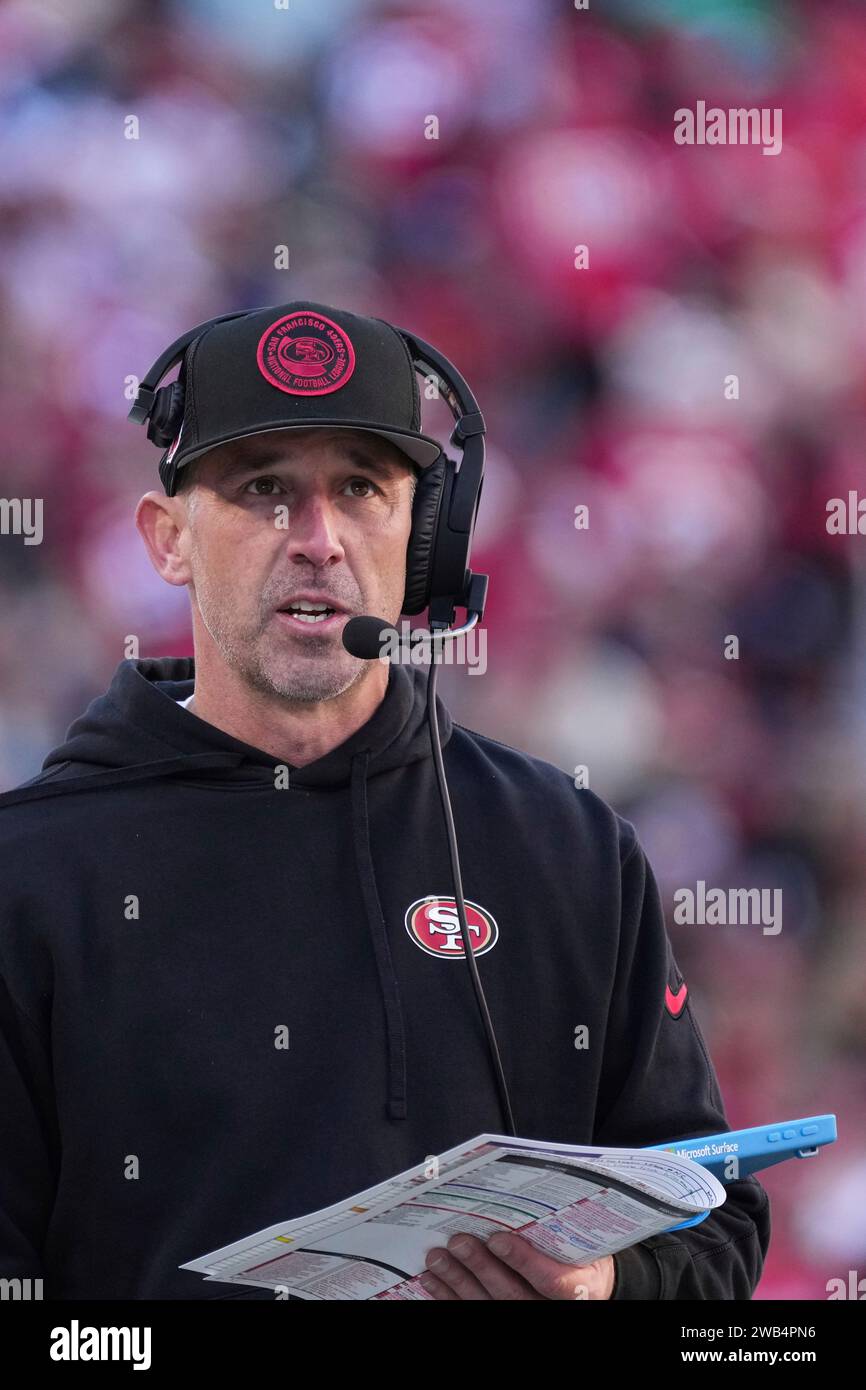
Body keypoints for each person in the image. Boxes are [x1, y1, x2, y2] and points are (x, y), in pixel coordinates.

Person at [0, 301, 770, 1300]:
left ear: (424, 541)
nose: (316, 538)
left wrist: (601, 1286)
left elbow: (713, 1222)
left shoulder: (566, 847)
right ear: (168, 540)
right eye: (263, 489)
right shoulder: (31, 879)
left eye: (360, 488)